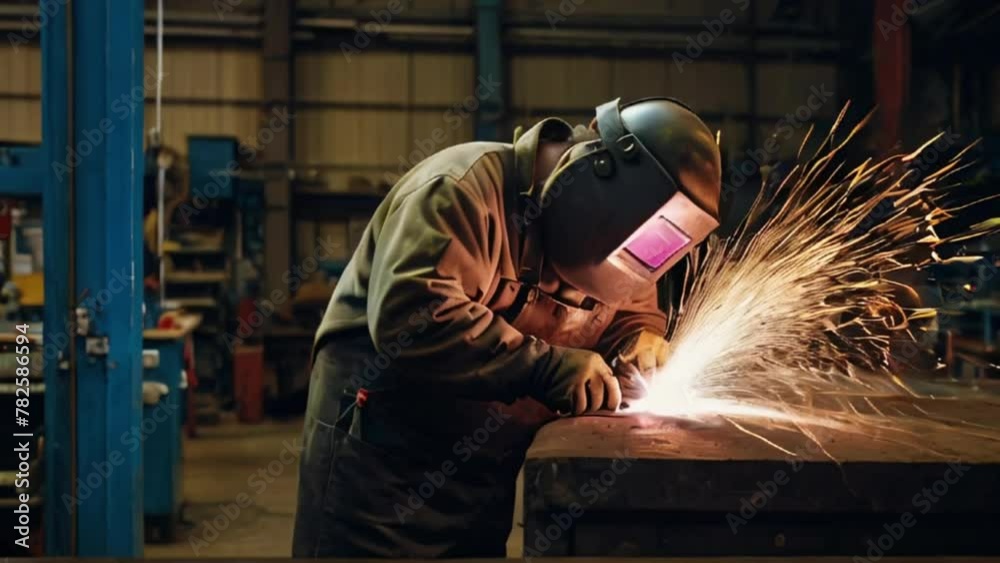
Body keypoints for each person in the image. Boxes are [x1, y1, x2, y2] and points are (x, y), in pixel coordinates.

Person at [292, 97, 722, 557]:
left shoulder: (631, 240)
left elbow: (631, 309)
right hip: (379, 465)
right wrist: (547, 368)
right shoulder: (459, 192)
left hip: (481, 474)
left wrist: (640, 341)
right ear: (596, 179)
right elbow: (412, 319)